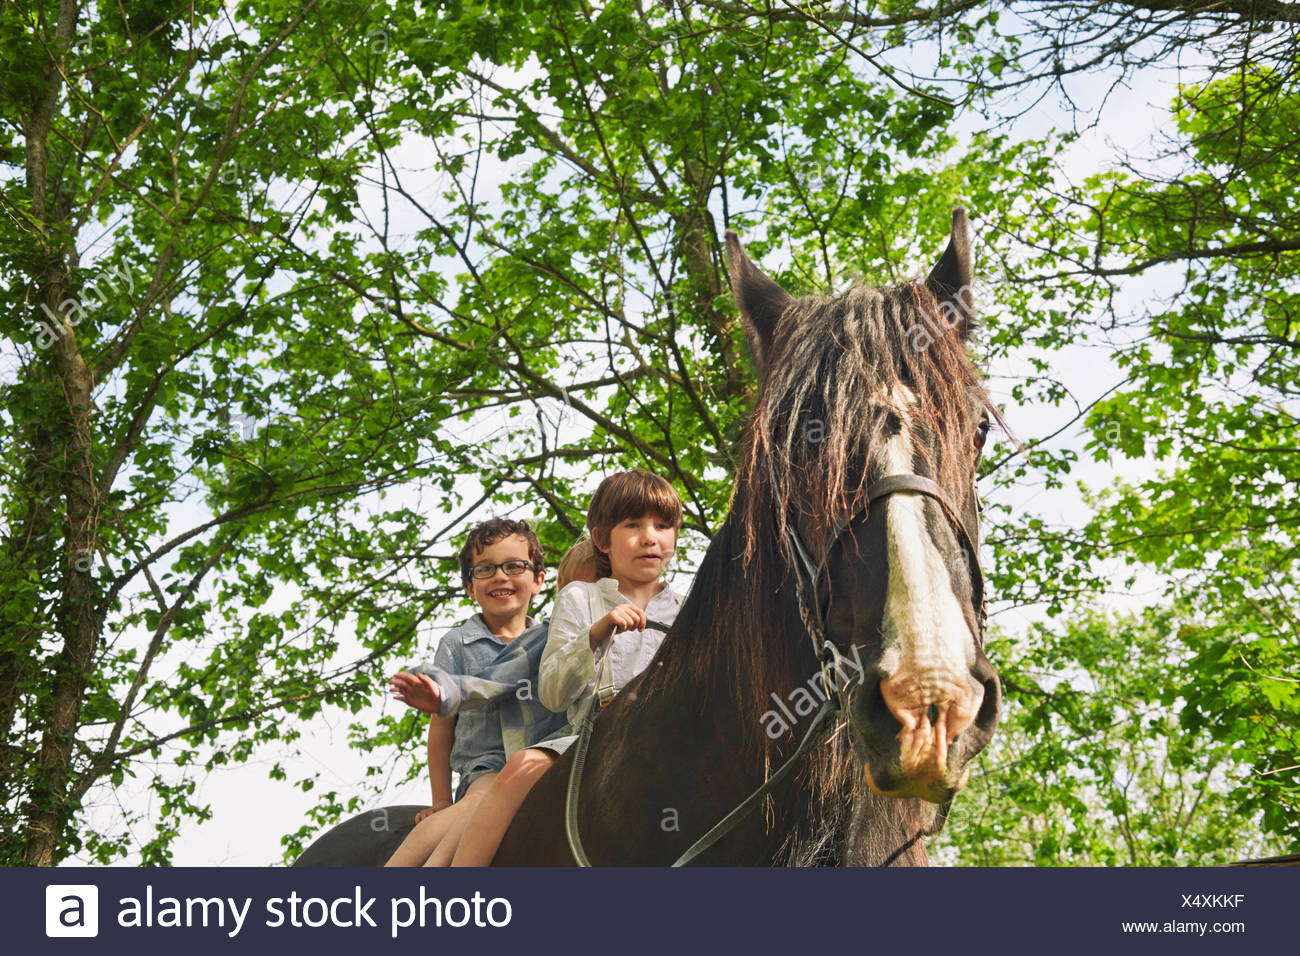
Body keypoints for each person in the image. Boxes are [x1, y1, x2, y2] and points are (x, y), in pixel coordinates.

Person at [441, 469, 684, 866]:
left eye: (662, 525)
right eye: (632, 525)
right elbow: (553, 693)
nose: (649, 537)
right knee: (523, 764)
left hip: (664, 740)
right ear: (603, 540)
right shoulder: (580, 597)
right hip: (588, 736)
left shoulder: (686, 611)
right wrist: (596, 634)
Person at [384, 518, 544, 867]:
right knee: (478, 802)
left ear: (538, 580)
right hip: (485, 767)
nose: (501, 576)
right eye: (485, 569)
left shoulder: (551, 641)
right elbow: (442, 726)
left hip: (538, 759)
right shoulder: (457, 643)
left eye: (514, 566)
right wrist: (441, 800)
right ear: (470, 588)